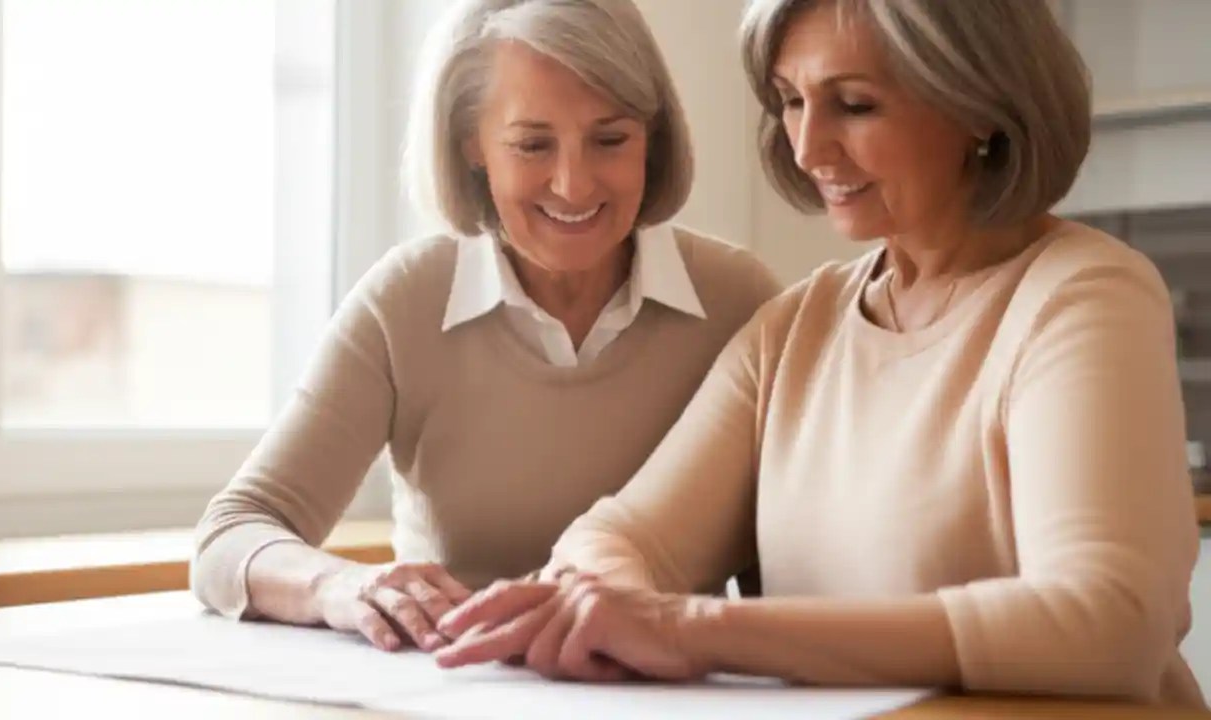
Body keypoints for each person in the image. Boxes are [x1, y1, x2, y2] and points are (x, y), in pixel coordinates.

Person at [434, 0, 1206, 707]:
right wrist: (602, 606)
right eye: (792, 101)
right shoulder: (795, 327)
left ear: (980, 105)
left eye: (854, 105)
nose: (807, 147)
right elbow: (616, 539)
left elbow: (1108, 620)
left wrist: (690, 630)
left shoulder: (1083, 296)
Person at [190, 0, 782, 655]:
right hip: (449, 688)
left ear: (652, 138)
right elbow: (232, 533)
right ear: (472, 145)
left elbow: (780, 568)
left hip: (668, 696)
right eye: (533, 144)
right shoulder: (407, 301)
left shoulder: (739, 302)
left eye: (610, 139)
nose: (573, 182)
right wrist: (339, 587)